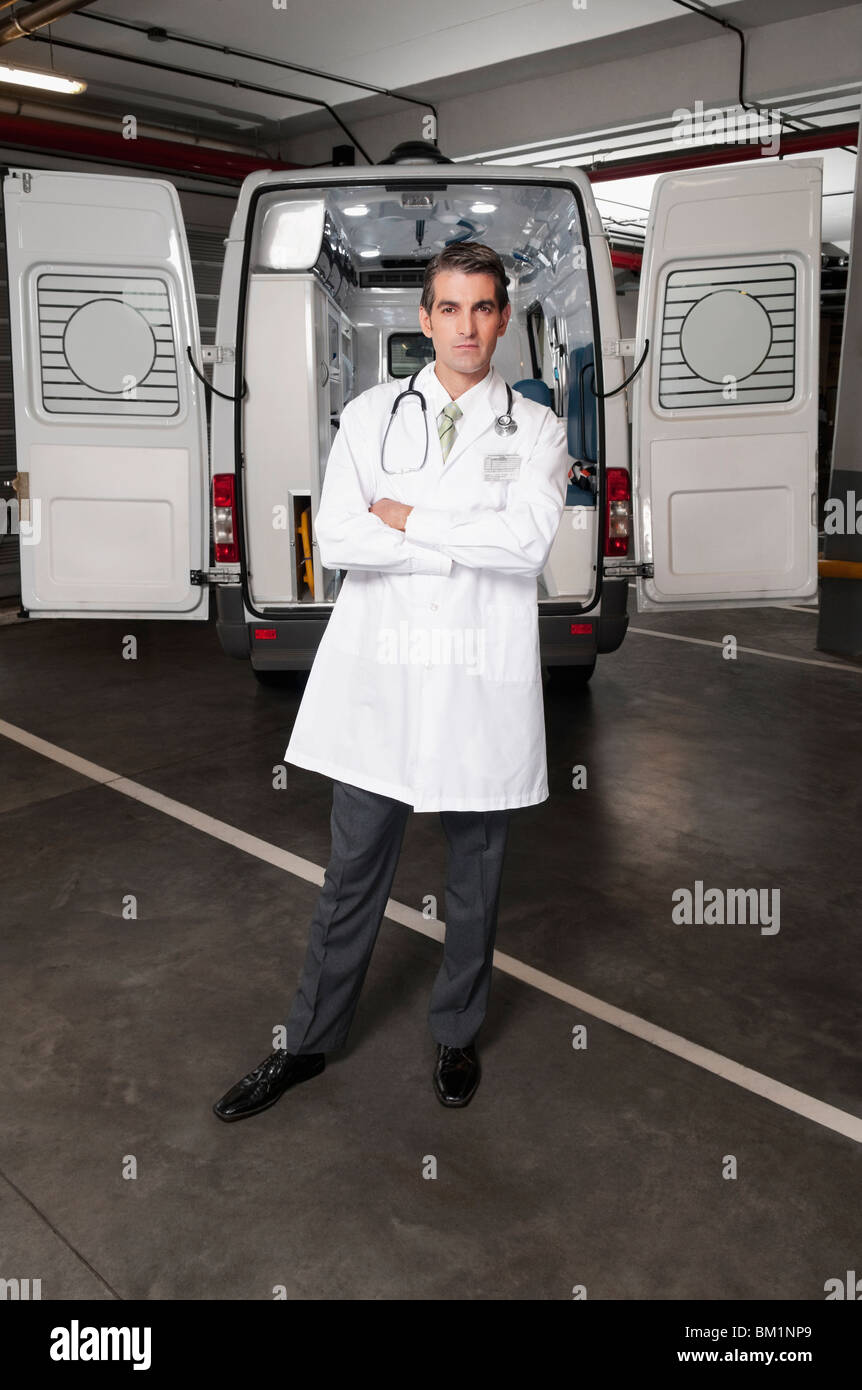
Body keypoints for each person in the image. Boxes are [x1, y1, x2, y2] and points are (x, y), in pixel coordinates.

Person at [214, 242, 569, 1121]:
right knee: (351, 872)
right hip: (384, 682)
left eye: (484, 308)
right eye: (449, 308)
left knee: (475, 875)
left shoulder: (539, 429)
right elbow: (339, 537)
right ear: (425, 318)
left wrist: (408, 518)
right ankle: (306, 1042)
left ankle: (456, 1031)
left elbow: (526, 544)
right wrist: (462, 530)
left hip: (478, 681)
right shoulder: (372, 415)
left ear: (502, 318)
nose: (467, 327)